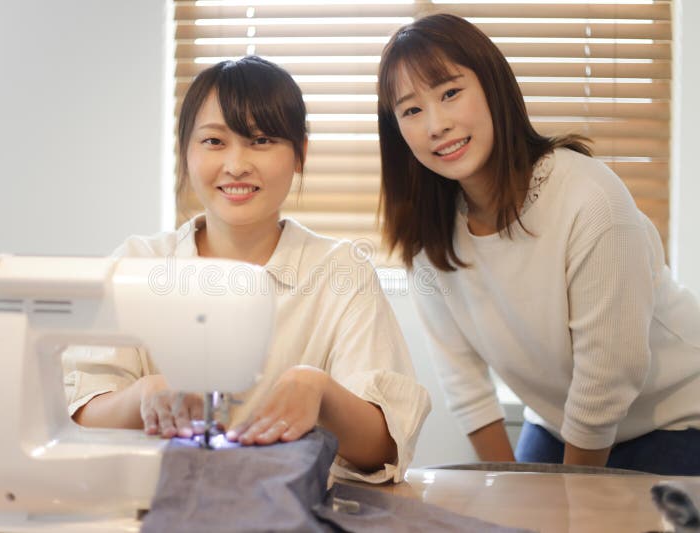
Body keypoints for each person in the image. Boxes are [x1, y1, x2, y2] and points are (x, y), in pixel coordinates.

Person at [62, 56, 431, 483]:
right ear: (185, 151)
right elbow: (79, 414)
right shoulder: (136, 264)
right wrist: (143, 397)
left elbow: (383, 449)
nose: (236, 165)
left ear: (300, 154)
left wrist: (321, 392)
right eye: (215, 142)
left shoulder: (340, 272)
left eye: (260, 140)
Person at [376, 14, 700, 475]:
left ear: (493, 86)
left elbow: (609, 377)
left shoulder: (590, 199)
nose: (436, 125)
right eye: (411, 110)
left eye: (450, 93)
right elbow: (465, 386)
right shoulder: (426, 236)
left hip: (677, 414)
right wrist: (509, 500)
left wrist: (568, 500)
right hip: (557, 423)